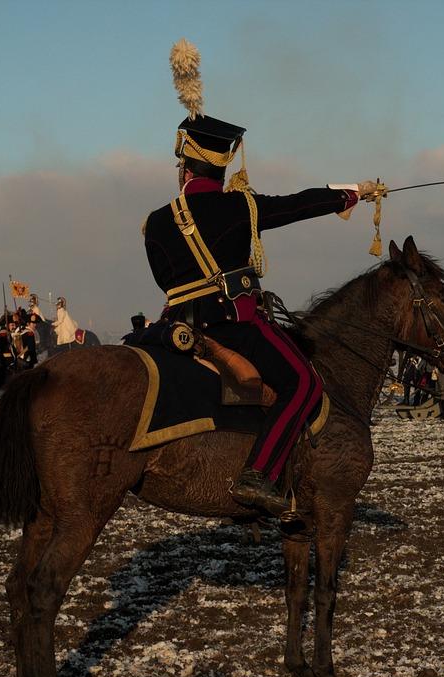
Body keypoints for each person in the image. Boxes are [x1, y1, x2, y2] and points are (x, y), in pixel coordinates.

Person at [141, 38, 377, 515]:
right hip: (232, 325)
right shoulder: (239, 205)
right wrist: (352, 193)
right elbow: (298, 205)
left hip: (177, 326)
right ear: (222, 166)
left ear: (185, 164)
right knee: (305, 385)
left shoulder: (156, 220)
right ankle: (261, 473)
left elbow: (163, 276)